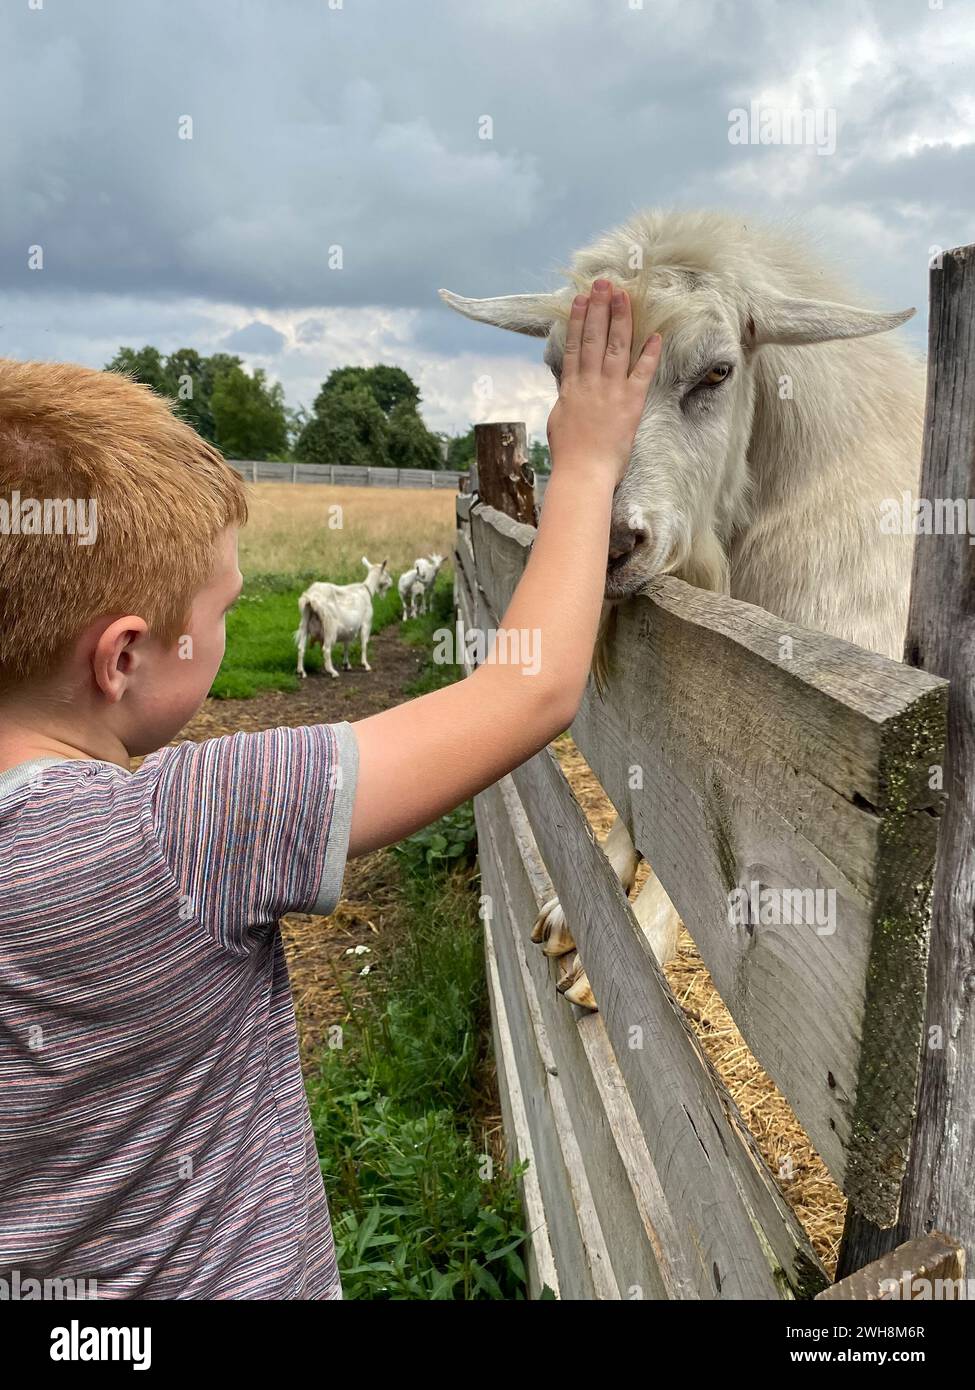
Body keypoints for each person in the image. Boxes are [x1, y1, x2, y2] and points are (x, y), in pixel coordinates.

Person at [0, 280, 661, 1299]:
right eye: (221, 608)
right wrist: (585, 464)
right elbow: (530, 688)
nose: (224, 632)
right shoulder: (179, 828)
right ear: (124, 657)